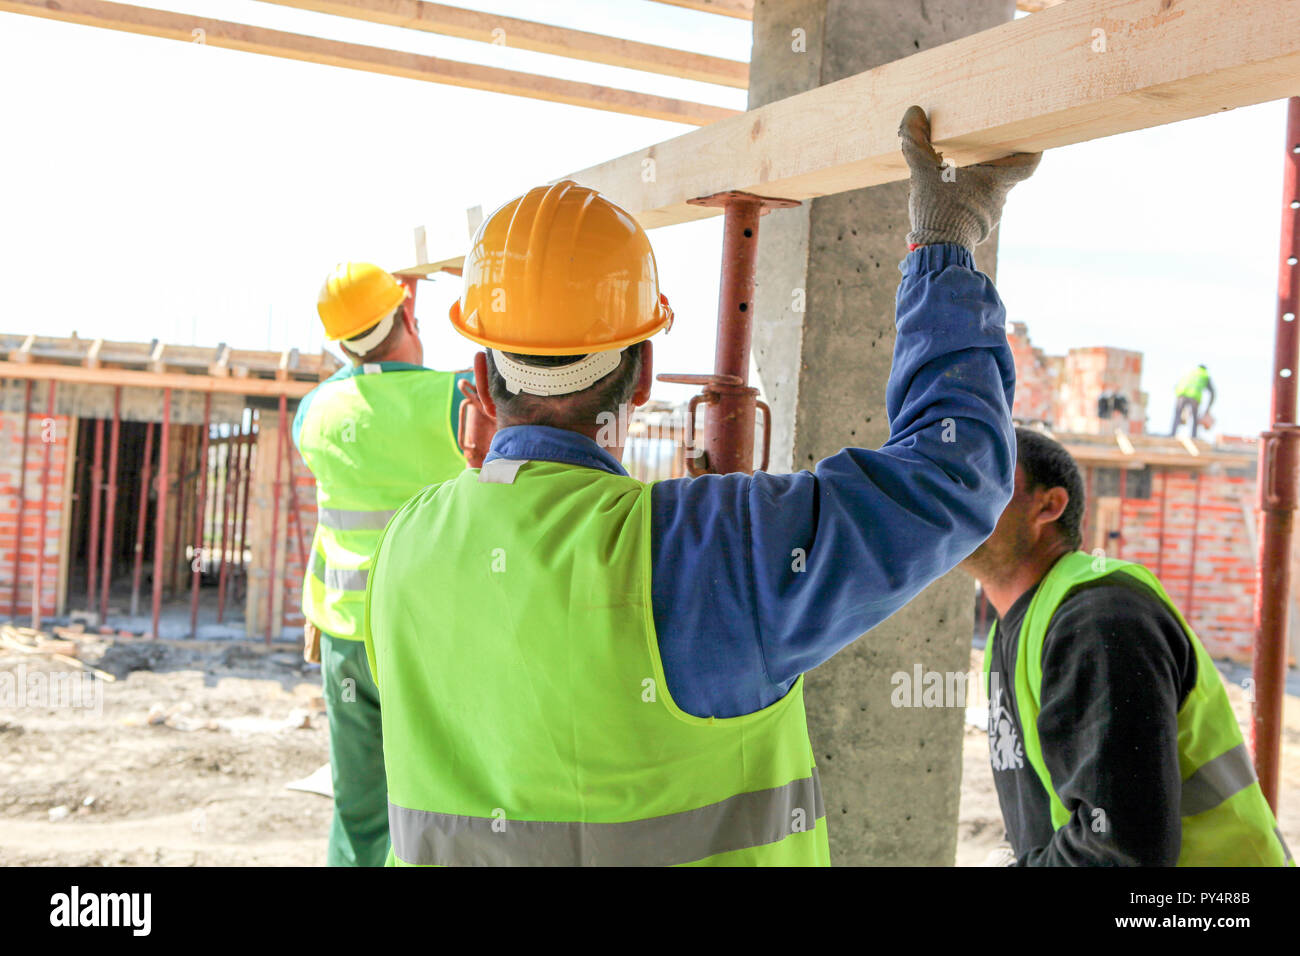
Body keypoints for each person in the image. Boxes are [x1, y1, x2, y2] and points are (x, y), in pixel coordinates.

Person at [362, 107, 1039, 866]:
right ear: (644, 374)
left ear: (483, 380)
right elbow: (953, 474)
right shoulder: (704, 551)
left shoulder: (404, 545)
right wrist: (944, 244)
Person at [964, 427, 1292, 866]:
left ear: (1048, 506)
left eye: (981, 482)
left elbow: (1118, 849)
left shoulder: (1097, 618)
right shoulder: (1013, 635)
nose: (955, 501)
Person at [295, 261, 470, 866]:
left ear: (339, 342)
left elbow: (370, 394)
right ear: (405, 312)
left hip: (343, 632)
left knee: (359, 804)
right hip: (425, 639)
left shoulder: (314, 413)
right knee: (435, 800)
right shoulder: (454, 401)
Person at [1170, 363, 1215, 438]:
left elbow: (1176, 385)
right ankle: (1194, 436)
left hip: (1181, 394)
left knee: (1177, 415)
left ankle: (1172, 434)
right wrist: (1208, 409)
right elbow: (1213, 393)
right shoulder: (1204, 374)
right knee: (1194, 417)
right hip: (1194, 395)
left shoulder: (1190, 372)